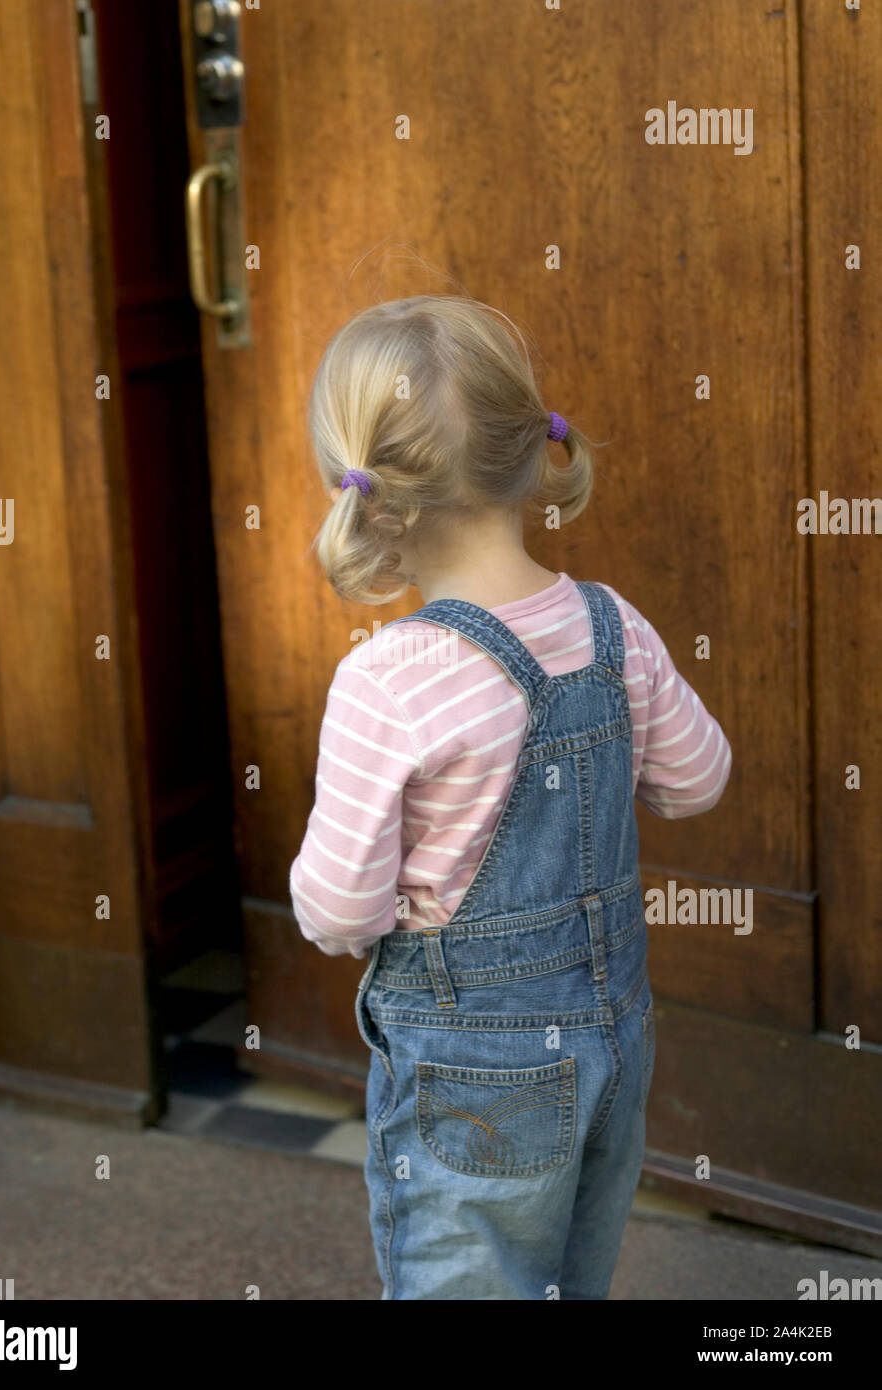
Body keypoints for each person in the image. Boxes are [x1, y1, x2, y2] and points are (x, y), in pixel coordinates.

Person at [289, 295, 731, 1299]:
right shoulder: (613, 626)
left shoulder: (387, 678)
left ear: (365, 489)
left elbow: (335, 911)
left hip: (472, 1071)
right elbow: (698, 780)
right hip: (612, 1042)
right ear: (530, 452)